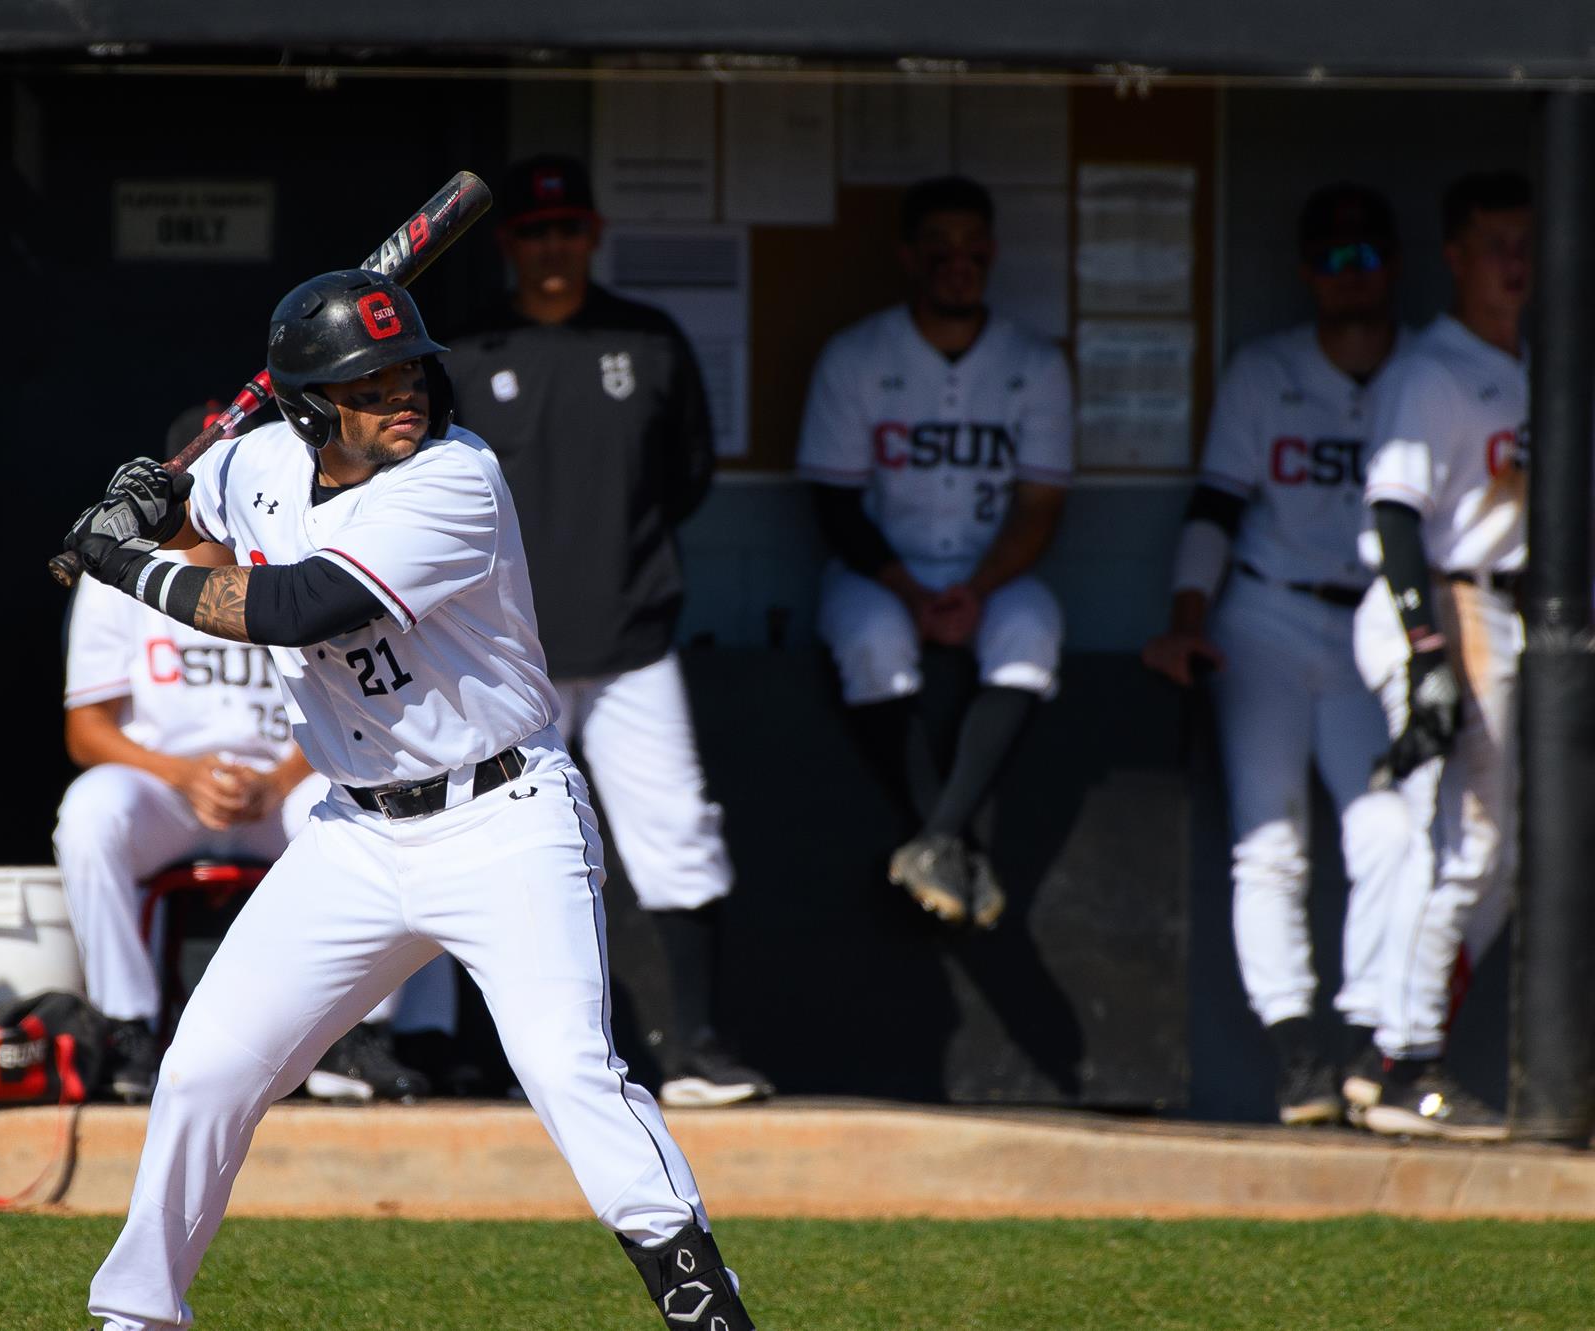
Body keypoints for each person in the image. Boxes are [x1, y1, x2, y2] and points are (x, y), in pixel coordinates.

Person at [60, 268, 758, 1331]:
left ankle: (708, 1313)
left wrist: (128, 565)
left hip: (502, 817)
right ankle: (136, 1316)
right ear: (305, 404)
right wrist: (148, 501)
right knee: (205, 1067)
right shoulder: (251, 460)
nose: (404, 396)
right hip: (353, 833)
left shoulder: (454, 481)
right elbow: (206, 514)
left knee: (570, 1071)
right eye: (368, 381)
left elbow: (299, 604)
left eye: (411, 372)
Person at [440, 155, 772, 1108]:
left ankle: (699, 1046)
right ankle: (466, 1052)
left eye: (568, 230)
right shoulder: (465, 350)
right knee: (477, 846)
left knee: (678, 834)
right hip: (500, 653)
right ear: (509, 244)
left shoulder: (648, 340)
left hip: (631, 638)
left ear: (593, 235)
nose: (553, 247)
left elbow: (686, 479)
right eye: (535, 232)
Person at [56, 446, 450, 1105]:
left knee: (390, 815)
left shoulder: (304, 553)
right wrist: (181, 774)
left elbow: (367, 708)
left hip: (295, 783)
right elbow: (86, 731)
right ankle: (126, 1027)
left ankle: (356, 1040)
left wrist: (280, 778)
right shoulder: (120, 573)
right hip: (170, 790)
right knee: (91, 813)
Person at [1141, 185, 1412, 1125]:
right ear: (1307, 272)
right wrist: (1188, 617)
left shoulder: (1424, 368)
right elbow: (1215, 506)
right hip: (1266, 611)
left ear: (1393, 264)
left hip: (1373, 623)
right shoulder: (1267, 370)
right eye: (1333, 260)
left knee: (1387, 828)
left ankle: (1374, 1039)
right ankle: (1298, 1052)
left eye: (1366, 256)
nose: (1351, 275)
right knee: (1270, 841)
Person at [796, 175, 1073, 928]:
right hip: (883, 569)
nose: (959, 260)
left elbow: (1041, 506)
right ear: (908, 256)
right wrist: (913, 592)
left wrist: (978, 588)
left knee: (1032, 629)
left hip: (990, 570)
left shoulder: (1034, 361)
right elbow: (835, 506)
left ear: (991, 251)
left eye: (972, 245)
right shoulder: (855, 356)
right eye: (939, 246)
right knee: (871, 637)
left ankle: (937, 840)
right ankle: (946, 838)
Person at [1348, 171, 1533, 1141]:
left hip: (1510, 607)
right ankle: (1402, 1061)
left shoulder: (1528, 363)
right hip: (1445, 600)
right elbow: (1391, 510)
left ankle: (1391, 1047)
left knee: (1495, 856)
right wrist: (1425, 644)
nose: (1514, 261)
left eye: (1524, 242)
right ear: (1454, 255)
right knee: (1459, 836)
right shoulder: (1432, 368)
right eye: (1494, 243)